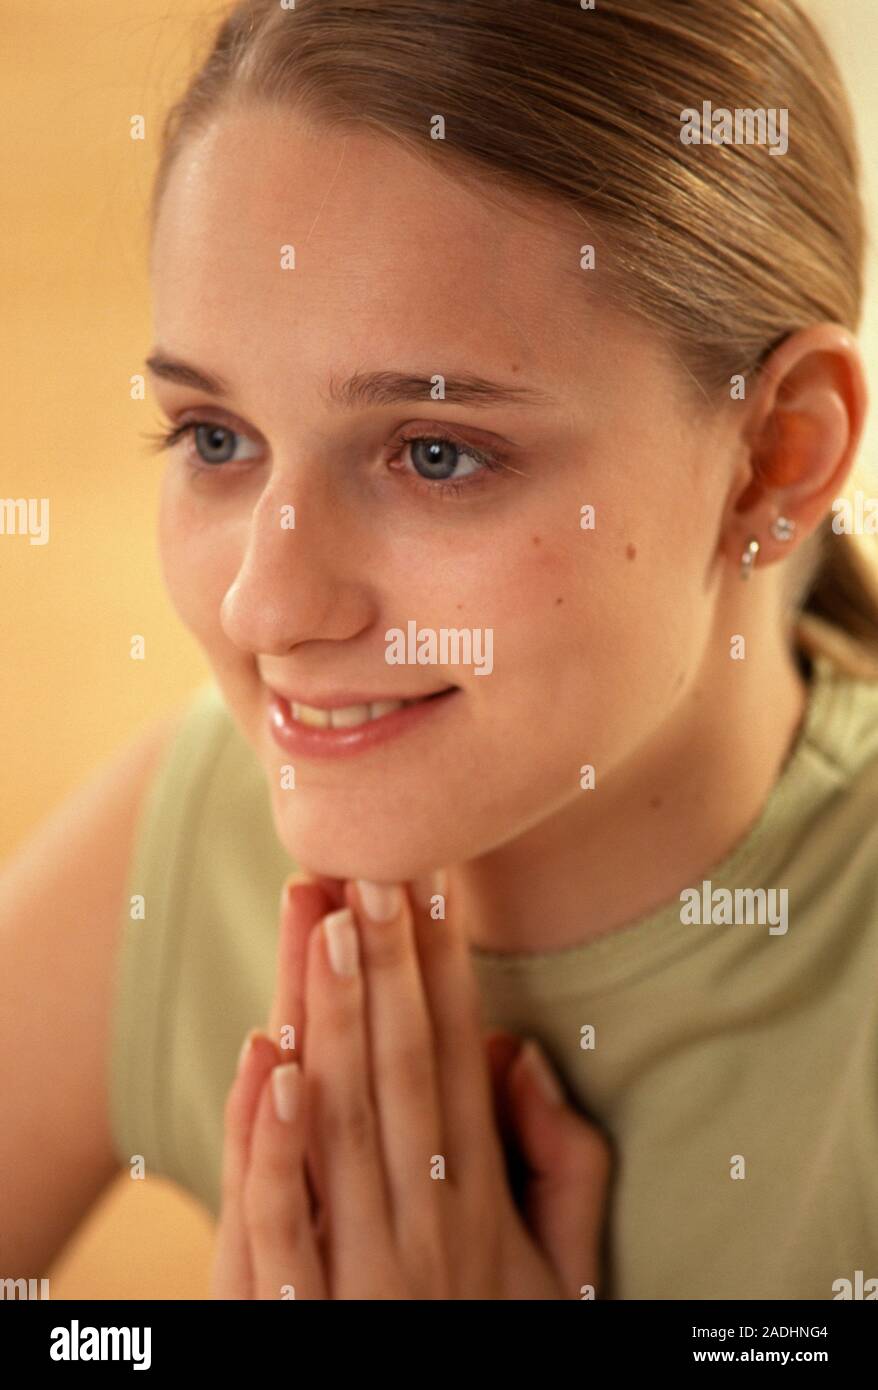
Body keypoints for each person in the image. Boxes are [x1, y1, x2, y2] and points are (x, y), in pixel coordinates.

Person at [3, 0, 878, 1300]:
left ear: (773, 459)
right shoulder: (187, 830)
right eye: (214, 437)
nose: (264, 607)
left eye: (435, 452)